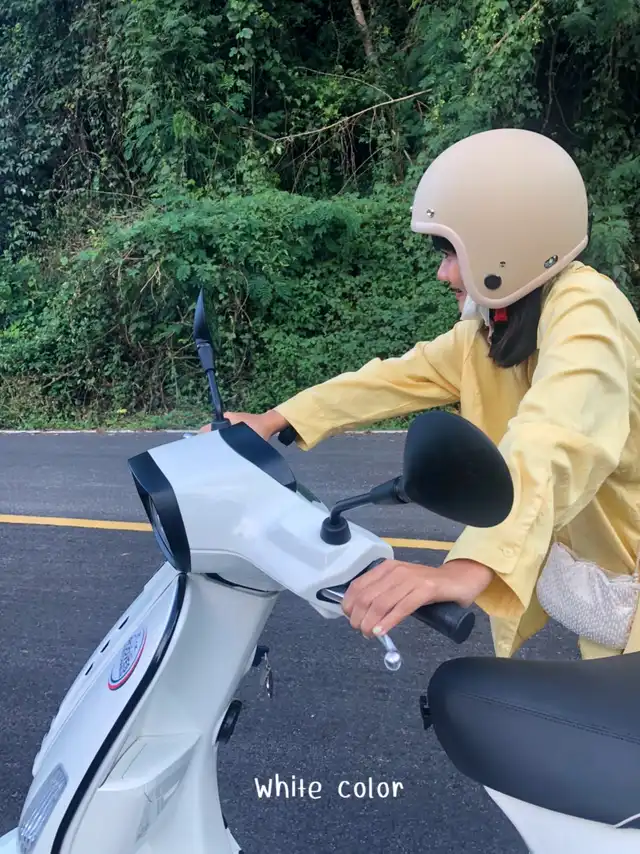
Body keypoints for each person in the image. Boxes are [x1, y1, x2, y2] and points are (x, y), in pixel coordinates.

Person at [201, 128, 640, 661]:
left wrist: (467, 566)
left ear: (507, 245)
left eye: (451, 252)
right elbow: (396, 377)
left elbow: (556, 432)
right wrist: (277, 419)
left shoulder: (589, 313)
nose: (442, 272)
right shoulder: (497, 331)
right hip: (608, 593)